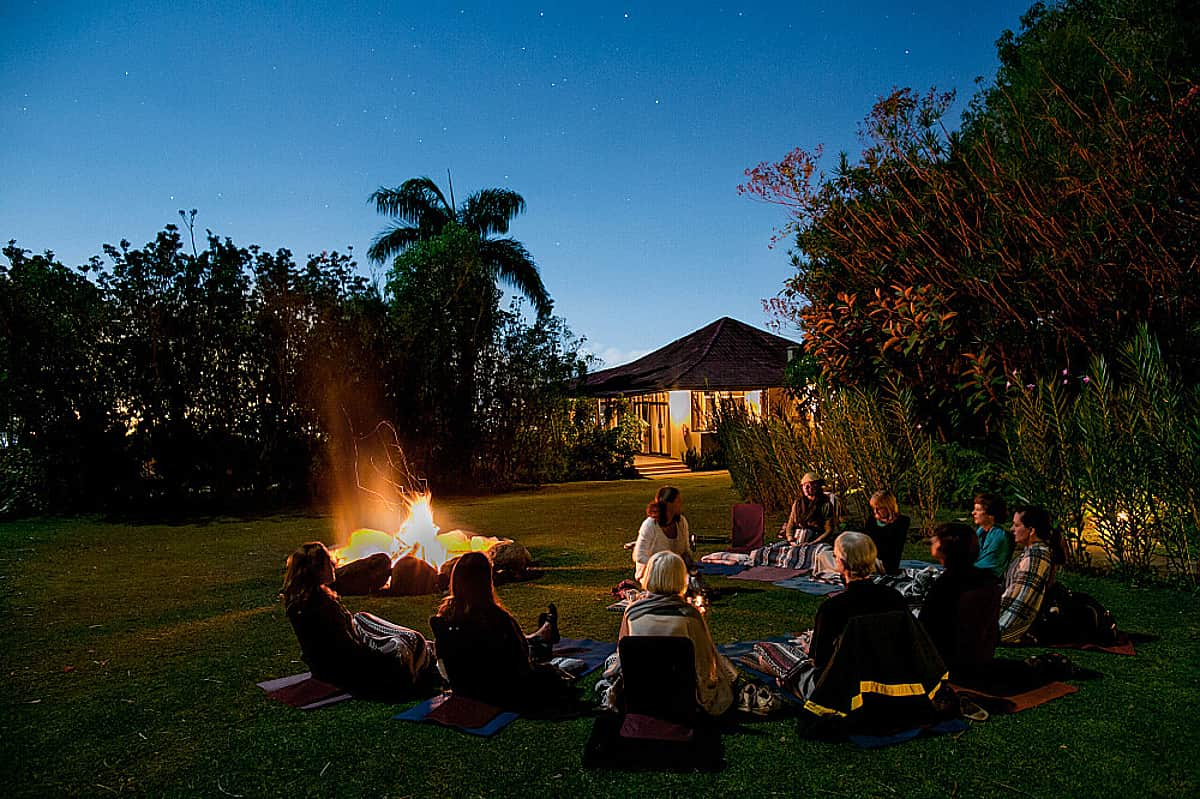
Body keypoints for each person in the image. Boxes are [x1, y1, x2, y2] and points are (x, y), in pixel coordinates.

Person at [281, 542, 433, 700]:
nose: (334, 564)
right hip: (352, 671)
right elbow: (352, 651)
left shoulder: (300, 601)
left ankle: (425, 652)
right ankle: (428, 656)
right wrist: (382, 655)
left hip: (326, 666)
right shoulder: (324, 607)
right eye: (328, 562)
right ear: (318, 570)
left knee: (362, 617)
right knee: (411, 640)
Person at [429, 551, 571, 712]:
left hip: (464, 689)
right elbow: (521, 663)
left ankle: (542, 635)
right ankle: (543, 637)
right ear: (486, 580)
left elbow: (443, 664)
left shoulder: (444, 619)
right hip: (502, 691)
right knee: (552, 673)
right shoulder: (498, 619)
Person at [614, 551, 736, 717]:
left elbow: (622, 656)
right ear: (680, 578)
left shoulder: (632, 612)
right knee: (724, 666)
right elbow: (704, 660)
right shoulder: (689, 617)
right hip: (683, 697)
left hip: (640, 693)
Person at [790, 532, 909, 698]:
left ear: (842, 563)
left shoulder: (833, 608)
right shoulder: (896, 598)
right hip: (892, 678)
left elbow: (820, 660)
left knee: (778, 660)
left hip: (846, 687)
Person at [918, 522, 1001, 674]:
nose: (932, 541)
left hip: (947, 660)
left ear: (946, 547)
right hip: (980, 655)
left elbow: (926, 627)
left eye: (936, 539)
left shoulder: (947, 584)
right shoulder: (987, 579)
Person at [999, 506, 1065, 644]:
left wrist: (992, 625)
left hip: (1015, 623)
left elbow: (1021, 600)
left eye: (1017, 525)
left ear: (1031, 530)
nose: (1012, 529)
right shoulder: (1031, 552)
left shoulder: (1035, 557)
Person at [633, 486, 694, 582]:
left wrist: (691, 568)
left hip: (675, 572)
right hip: (651, 574)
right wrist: (663, 568)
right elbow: (639, 556)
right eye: (678, 501)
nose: (681, 504)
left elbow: (685, 551)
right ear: (669, 504)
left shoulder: (681, 522)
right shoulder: (650, 525)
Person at [781, 472, 839, 545]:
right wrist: (790, 539)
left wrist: (813, 543)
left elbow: (828, 530)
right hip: (795, 540)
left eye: (809, 485)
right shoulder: (797, 503)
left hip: (816, 541)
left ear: (816, 486)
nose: (806, 488)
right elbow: (790, 524)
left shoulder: (825, 504)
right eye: (804, 485)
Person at [861, 490, 910, 574]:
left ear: (889, 507)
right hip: (869, 559)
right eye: (873, 508)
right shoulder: (871, 520)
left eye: (879, 508)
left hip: (887, 564)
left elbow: (893, 548)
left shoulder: (902, 522)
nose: (875, 511)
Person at [972, 492, 1013, 577]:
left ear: (990, 514)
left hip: (988, 581)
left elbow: (987, 563)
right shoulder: (980, 532)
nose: (973, 513)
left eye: (978, 510)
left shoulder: (1000, 536)